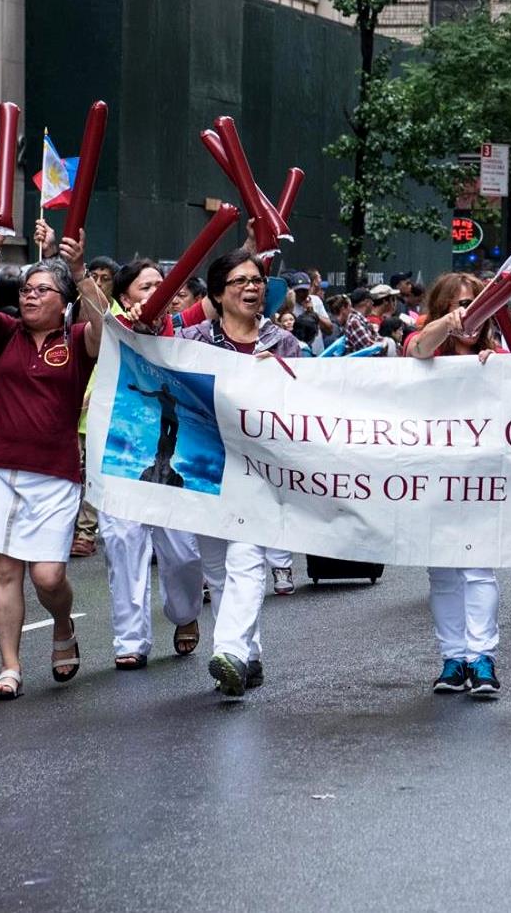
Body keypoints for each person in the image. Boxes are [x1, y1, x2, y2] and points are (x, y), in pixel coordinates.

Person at [0, 206, 106, 702]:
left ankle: (62, 621)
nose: (29, 296)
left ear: (64, 301)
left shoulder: (78, 340)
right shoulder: (4, 336)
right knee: (5, 570)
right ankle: (10, 667)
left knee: (48, 575)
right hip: (0, 467)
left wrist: (80, 271)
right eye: (25, 289)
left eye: (42, 289)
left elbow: (105, 325)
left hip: (56, 473)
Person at [177, 249, 300, 696]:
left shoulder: (283, 344)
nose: (252, 288)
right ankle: (249, 656)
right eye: (240, 282)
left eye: (257, 280)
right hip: (205, 465)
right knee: (216, 569)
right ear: (217, 294)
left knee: (247, 557)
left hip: (260, 469)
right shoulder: (192, 340)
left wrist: (282, 376)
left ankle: (227, 650)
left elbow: (304, 405)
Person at [100, 259, 204, 669]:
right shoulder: (112, 329)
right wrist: (76, 270)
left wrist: (252, 247)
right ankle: (130, 640)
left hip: (174, 458)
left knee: (183, 552)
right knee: (123, 543)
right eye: (146, 287)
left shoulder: (182, 326)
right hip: (122, 457)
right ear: (125, 298)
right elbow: (92, 308)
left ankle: (184, 613)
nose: (159, 292)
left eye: (164, 285)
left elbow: (220, 302)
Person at [407, 272, 503, 698]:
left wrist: (498, 368)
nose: (471, 313)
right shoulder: (425, 350)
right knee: (443, 572)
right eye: (461, 304)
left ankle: (482, 658)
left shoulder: (499, 357)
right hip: (435, 477)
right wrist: (450, 323)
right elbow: (418, 348)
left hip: (482, 480)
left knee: (479, 569)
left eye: (478, 303)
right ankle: (453, 658)